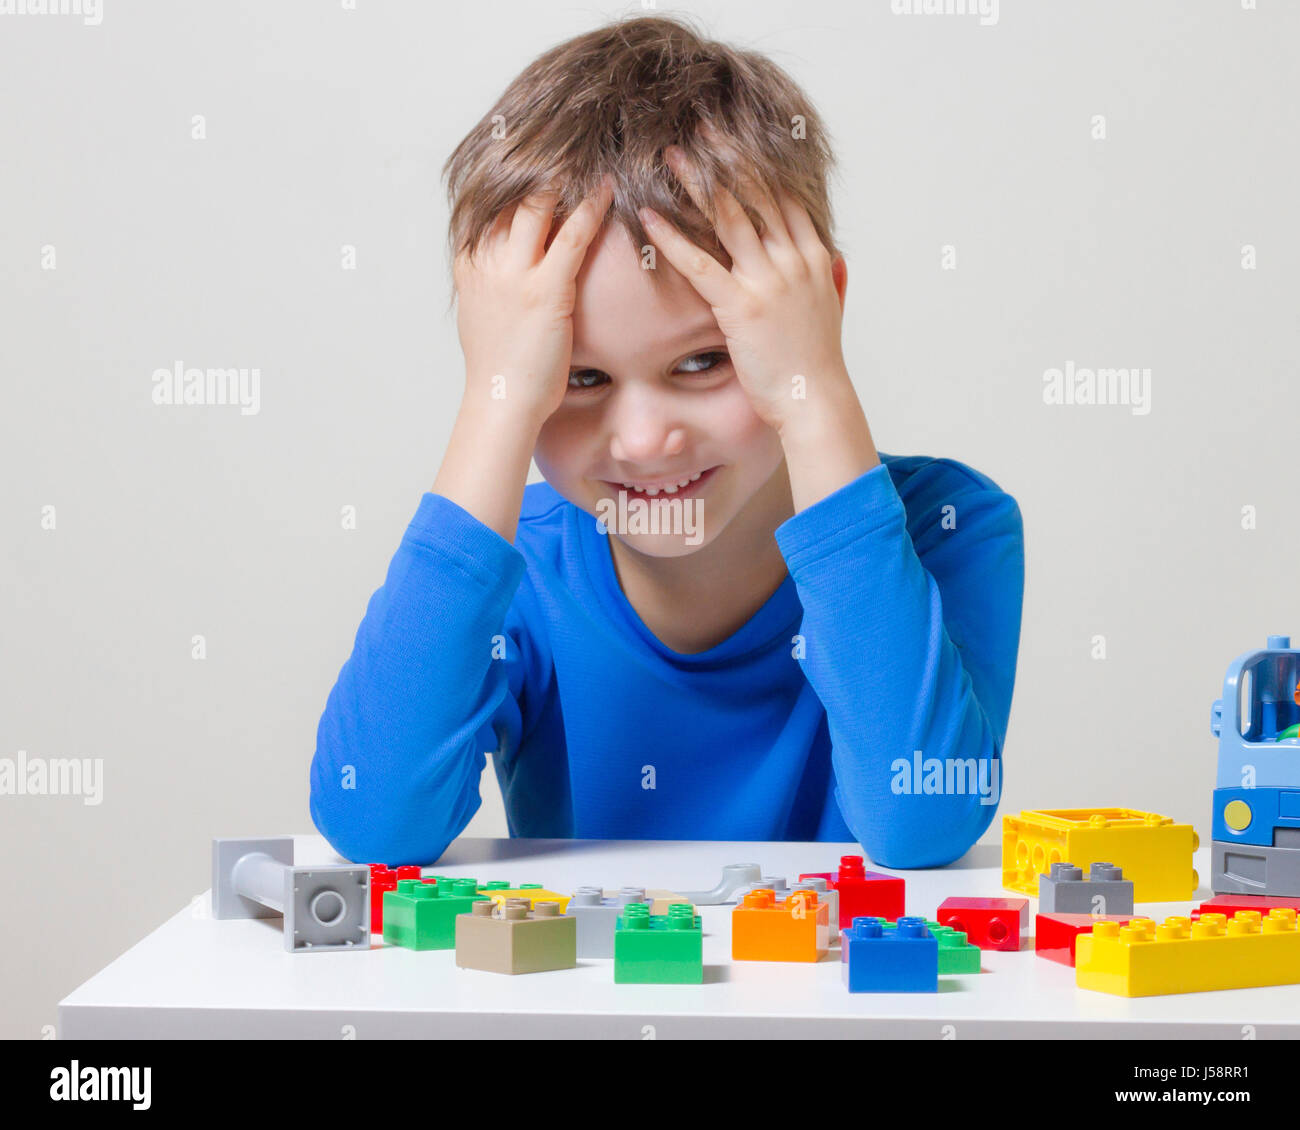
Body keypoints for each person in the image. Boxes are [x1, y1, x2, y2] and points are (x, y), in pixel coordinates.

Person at [310, 14, 1024, 868]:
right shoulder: (519, 571)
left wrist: (817, 396)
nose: (646, 440)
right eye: (580, 379)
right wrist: (493, 407)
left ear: (813, 315)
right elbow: (373, 822)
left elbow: (921, 821)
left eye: (702, 361)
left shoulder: (950, 528)